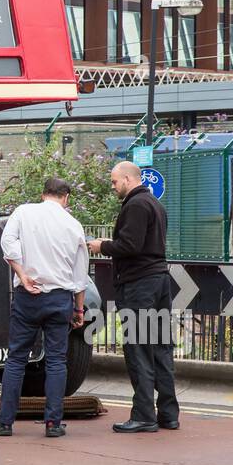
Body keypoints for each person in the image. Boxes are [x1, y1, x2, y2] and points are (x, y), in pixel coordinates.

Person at [88, 161, 179, 433]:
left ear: (128, 179)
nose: (113, 186)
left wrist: (100, 245)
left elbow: (130, 245)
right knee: (161, 348)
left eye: (115, 182)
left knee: (138, 348)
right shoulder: (156, 205)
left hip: (140, 285)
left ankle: (143, 416)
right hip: (160, 282)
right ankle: (168, 414)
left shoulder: (136, 206)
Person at [0, 178, 88, 439]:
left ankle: (5, 423)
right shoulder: (74, 225)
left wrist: (22, 274)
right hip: (59, 299)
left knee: (16, 359)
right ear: (66, 198)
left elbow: (7, 244)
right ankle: (53, 424)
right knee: (57, 361)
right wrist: (78, 310)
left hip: (27, 296)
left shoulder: (23, 212)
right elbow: (80, 276)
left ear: (43, 193)